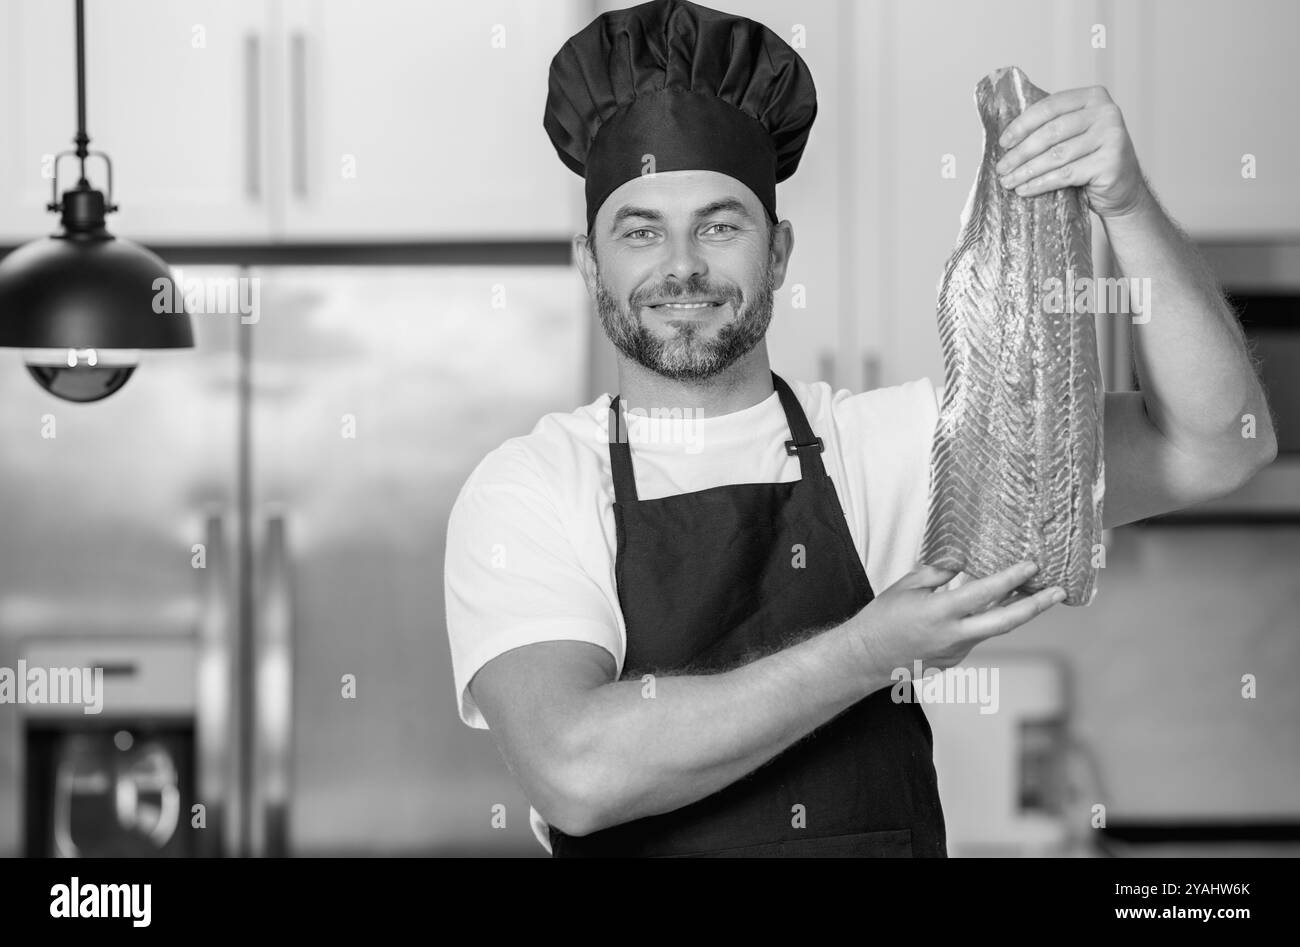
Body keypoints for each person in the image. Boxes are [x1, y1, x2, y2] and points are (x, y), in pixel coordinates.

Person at [444, 0, 1276, 857]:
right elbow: (575, 770)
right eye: (642, 231)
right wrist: (870, 650)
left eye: (721, 225)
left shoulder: (893, 449)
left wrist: (1130, 208)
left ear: (779, 254)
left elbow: (1220, 443)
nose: (682, 265)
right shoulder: (532, 489)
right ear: (591, 263)